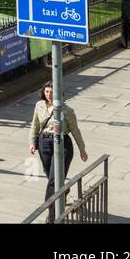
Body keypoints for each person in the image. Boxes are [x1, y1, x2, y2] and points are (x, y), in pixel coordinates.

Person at [28, 82, 88, 212]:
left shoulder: (67, 110)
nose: (49, 95)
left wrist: (82, 149)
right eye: (47, 91)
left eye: (52, 92)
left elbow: (75, 131)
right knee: (50, 176)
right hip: (44, 142)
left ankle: (50, 212)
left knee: (53, 181)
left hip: (62, 144)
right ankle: (64, 190)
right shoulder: (39, 106)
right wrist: (32, 142)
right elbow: (35, 124)